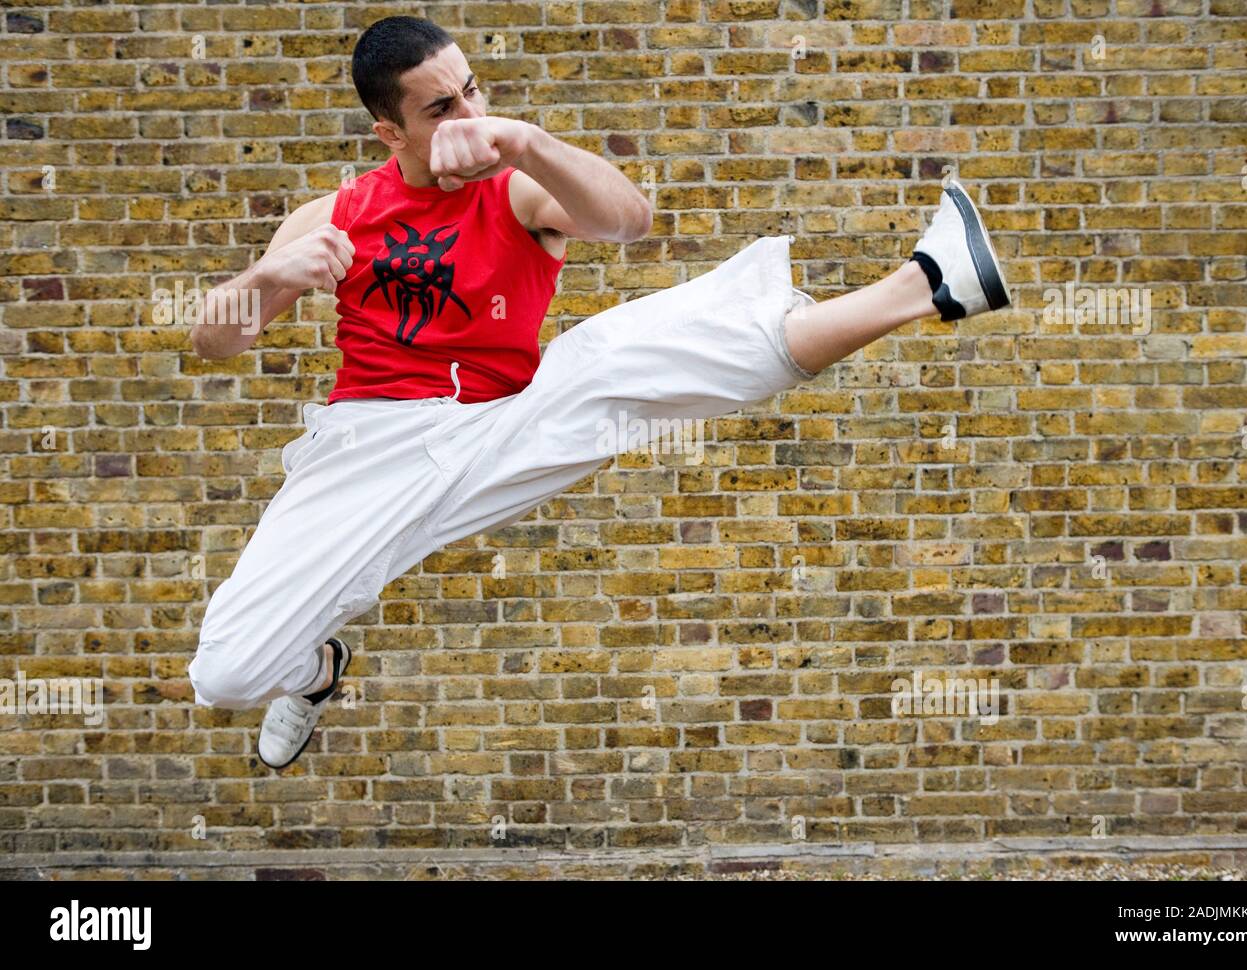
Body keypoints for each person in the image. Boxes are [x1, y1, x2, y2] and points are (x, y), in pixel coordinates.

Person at [186, 16, 1011, 768]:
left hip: (500, 426)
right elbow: (213, 340)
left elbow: (629, 222)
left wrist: (528, 141)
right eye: (441, 109)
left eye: (472, 90)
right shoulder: (333, 215)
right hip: (365, 449)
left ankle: (930, 281)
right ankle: (318, 666)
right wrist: (265, 277)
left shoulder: (515, 186)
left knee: (622, 357)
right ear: (388, 130)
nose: (469, 115)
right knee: (227, 672)